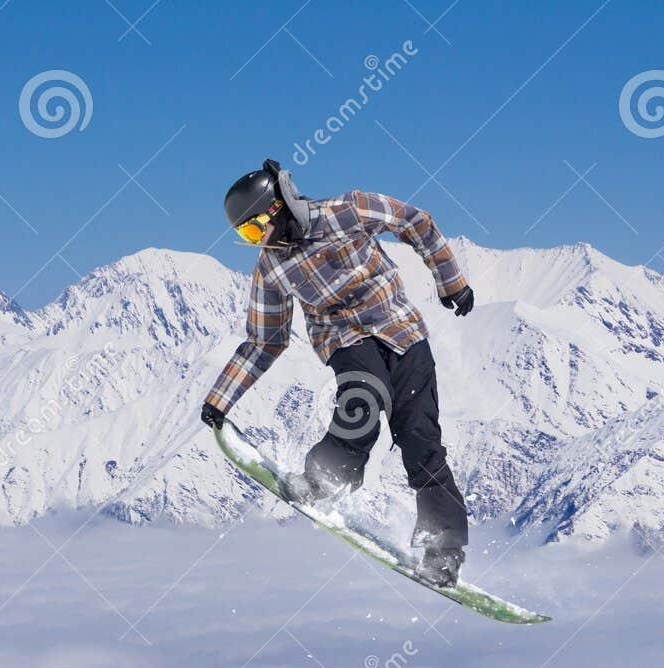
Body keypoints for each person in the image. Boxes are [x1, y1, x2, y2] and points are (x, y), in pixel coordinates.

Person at [200, 159, 477, 585]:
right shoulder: (272, 267)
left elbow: (414, 222)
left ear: (280, 206)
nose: (258, 241)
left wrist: (451, 282)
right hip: (345, 339)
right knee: (363, 397)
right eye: (246, 236)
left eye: (255, 228)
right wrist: (220, 399)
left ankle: (442, 550)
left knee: (422, 441)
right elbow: (264, 340)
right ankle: (321, 481)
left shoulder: (348, 211)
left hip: (402, 330)